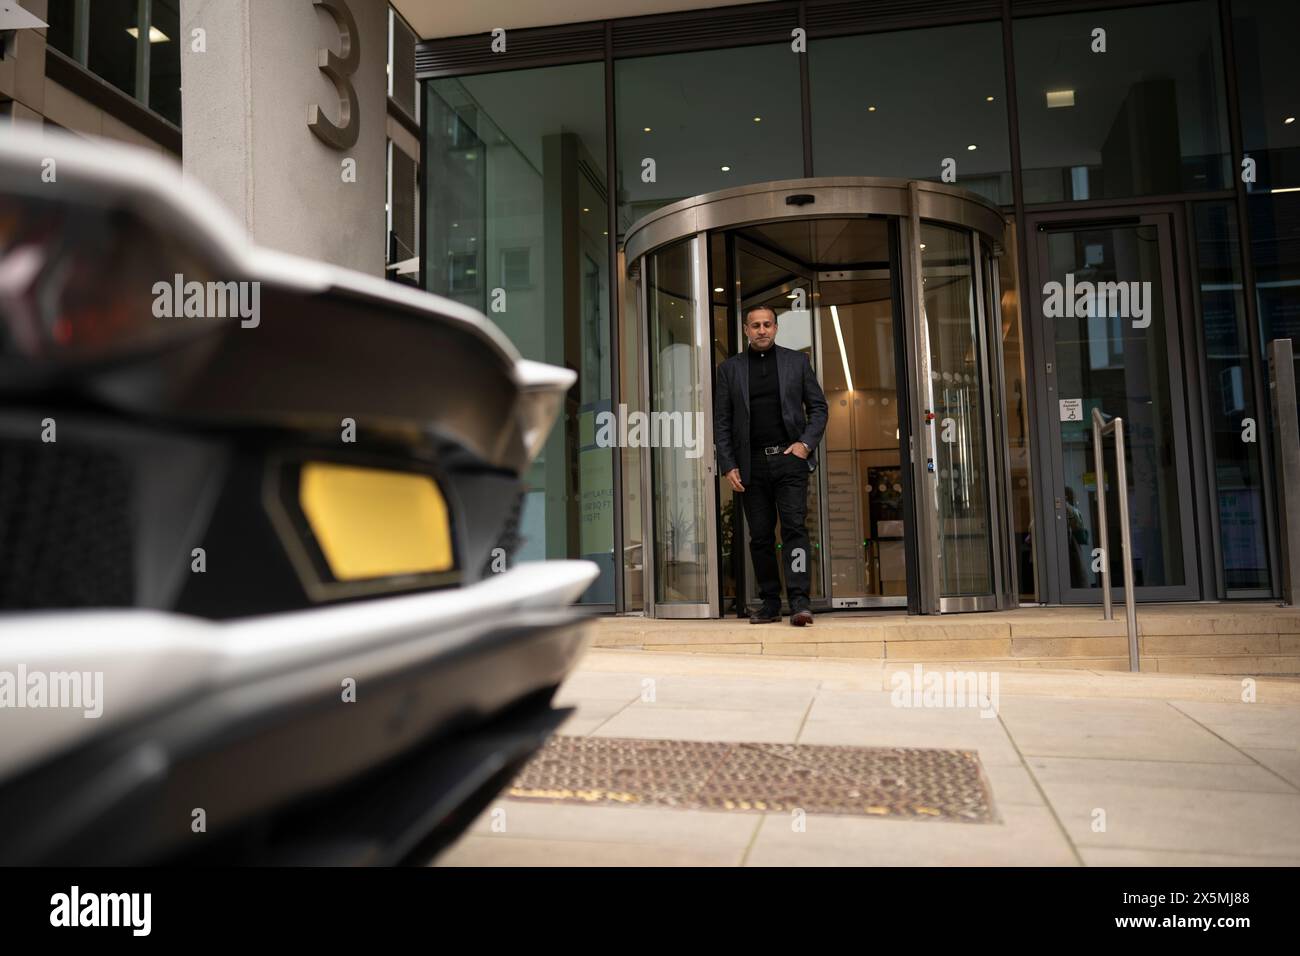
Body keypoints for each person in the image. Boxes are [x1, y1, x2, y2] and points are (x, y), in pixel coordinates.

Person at [714, 305, 828, 625]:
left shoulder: (797, 362)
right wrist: (728, 465)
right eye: (755, 325)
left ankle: (800, 602)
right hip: (751, 465)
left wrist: (805, 445)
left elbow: (818, 408)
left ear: (776, 328)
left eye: (767, 325)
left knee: (794, 530)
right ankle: (769, 603)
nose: (761, 330)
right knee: (760, 536)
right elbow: (722, 422)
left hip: (789, 460)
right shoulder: (730, 370)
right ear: (746, 330)